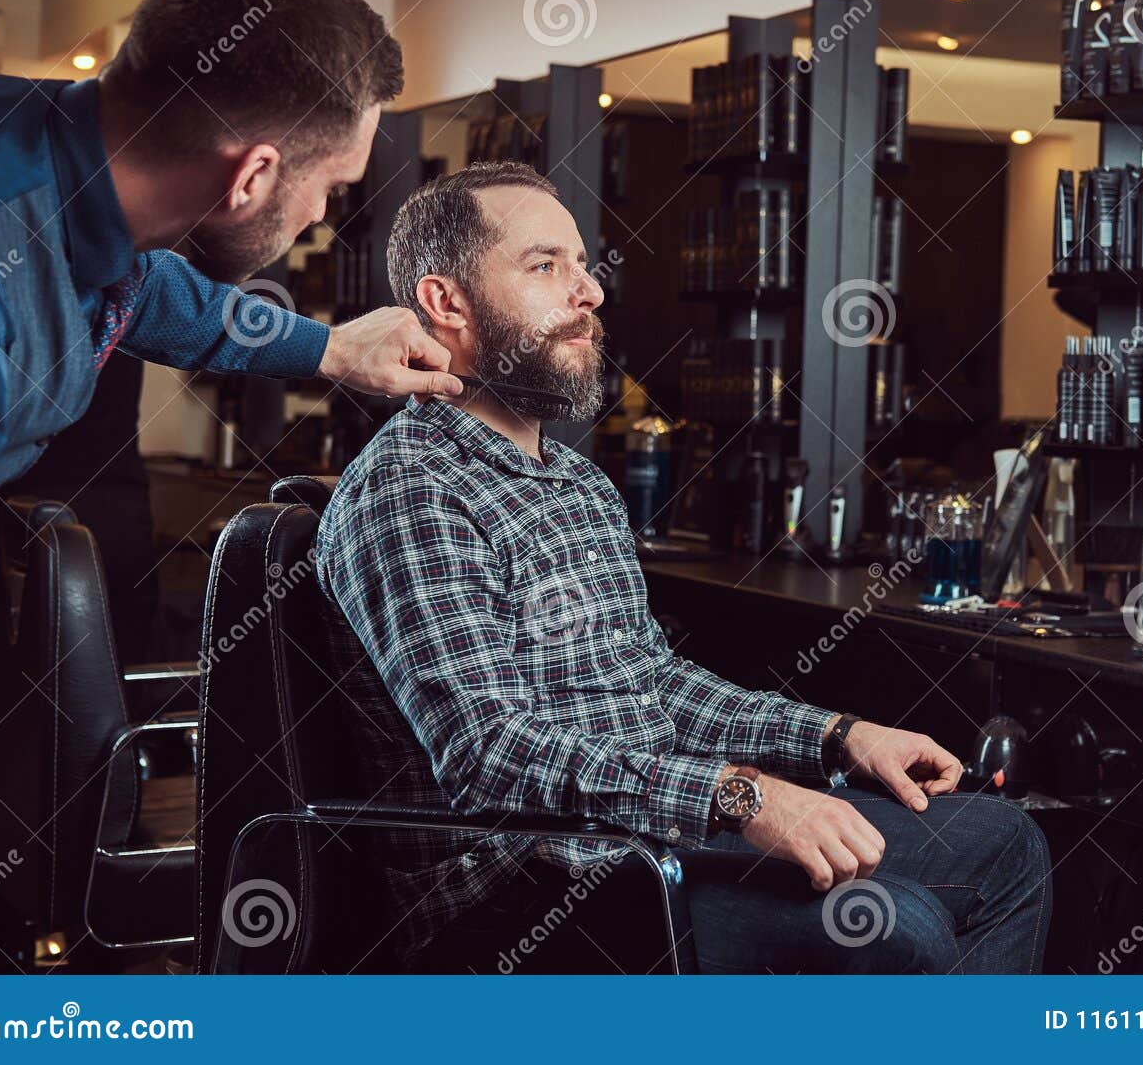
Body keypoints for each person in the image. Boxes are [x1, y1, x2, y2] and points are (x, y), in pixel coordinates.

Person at [315, 162, 1052, 973]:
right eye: (544, 265)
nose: (588, 290)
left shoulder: (576, 483)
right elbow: (490, 751)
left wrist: (840, 737)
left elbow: (652, 686)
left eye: (582, 263)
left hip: (650, 836)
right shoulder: (413, 485)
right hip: (522, 888)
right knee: (893, 922)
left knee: (1004, 846)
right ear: (446, 304)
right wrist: (740, 796)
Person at [0, 0, 462, 660]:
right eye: (329, 188)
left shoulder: (44, 149)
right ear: (253, 177)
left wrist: (330, 348)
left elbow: (151, 295)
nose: (323, 215)